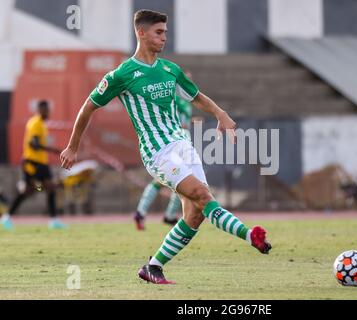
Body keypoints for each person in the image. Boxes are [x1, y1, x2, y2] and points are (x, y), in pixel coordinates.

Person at [60, 9, 272, 285]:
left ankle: (153, 267)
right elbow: (88, 107)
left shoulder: (170, 69)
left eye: (166, 32)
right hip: (157, 153)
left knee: (195, 214)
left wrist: (221, 115)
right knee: (201, 195)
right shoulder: (121, 75)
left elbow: (196, 96)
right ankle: (250, 235)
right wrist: (72, 147)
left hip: (183, 146)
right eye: (159, 32)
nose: (164, 38)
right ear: (141, 32)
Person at [134, 75, 194, 230]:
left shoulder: (186, 101)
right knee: (181, 178)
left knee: (174, 179)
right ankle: (166, 214)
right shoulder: (171, 97)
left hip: (181, 139)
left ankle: (148, 213)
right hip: (176, 140)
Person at [1, 100, 67, 230]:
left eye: (48, 110)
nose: (48, 112)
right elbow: (33, 144)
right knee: (35, 190)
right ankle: (7, 217)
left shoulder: (41, 123)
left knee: (44, 189)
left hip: (41, 163)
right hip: (33, 163)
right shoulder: (36, 123)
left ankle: (53, 220)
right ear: (40, 110)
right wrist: (53, 150)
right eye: (46, 110)